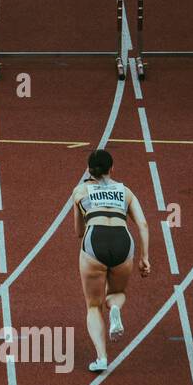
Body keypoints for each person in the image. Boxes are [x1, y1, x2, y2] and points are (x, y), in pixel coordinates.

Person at [70, 149, 150, 373]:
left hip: (95, 240)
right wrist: (144, 257)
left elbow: (78, 231)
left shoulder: (80, 190)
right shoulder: (125, 191)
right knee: (117, 293)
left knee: (93, 305)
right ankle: (115, 307)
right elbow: (143, 224)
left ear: (89, 170)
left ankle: (101, 357)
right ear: (112, 169)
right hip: (123, 241)